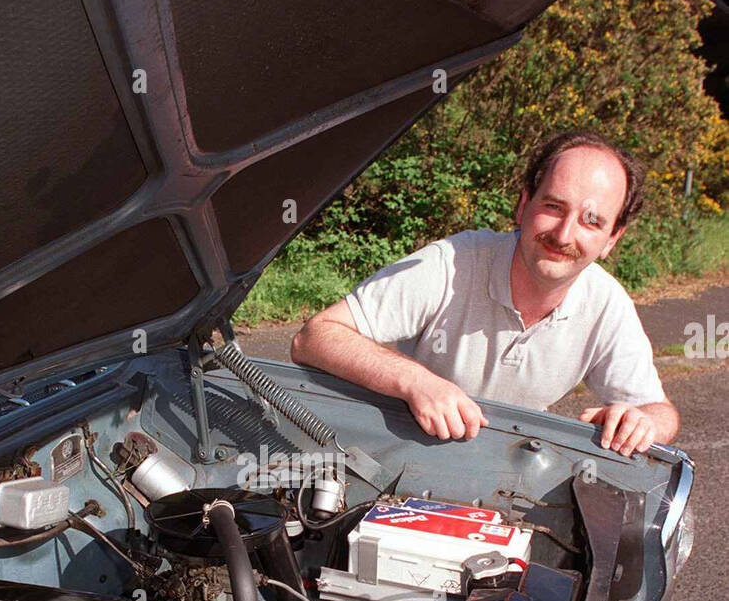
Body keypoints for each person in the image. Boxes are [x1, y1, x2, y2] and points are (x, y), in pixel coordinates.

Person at [291, 130, 679, 456]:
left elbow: (660, 411)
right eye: (553, 206)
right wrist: (416, 381)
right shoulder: (451, 264)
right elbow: (314, 337)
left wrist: (642, 423)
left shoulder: (607, 304)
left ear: (612, 238)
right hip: (407, 455)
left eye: (591, 221)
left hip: (509, 474)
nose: (564, 235)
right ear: (523, 204)